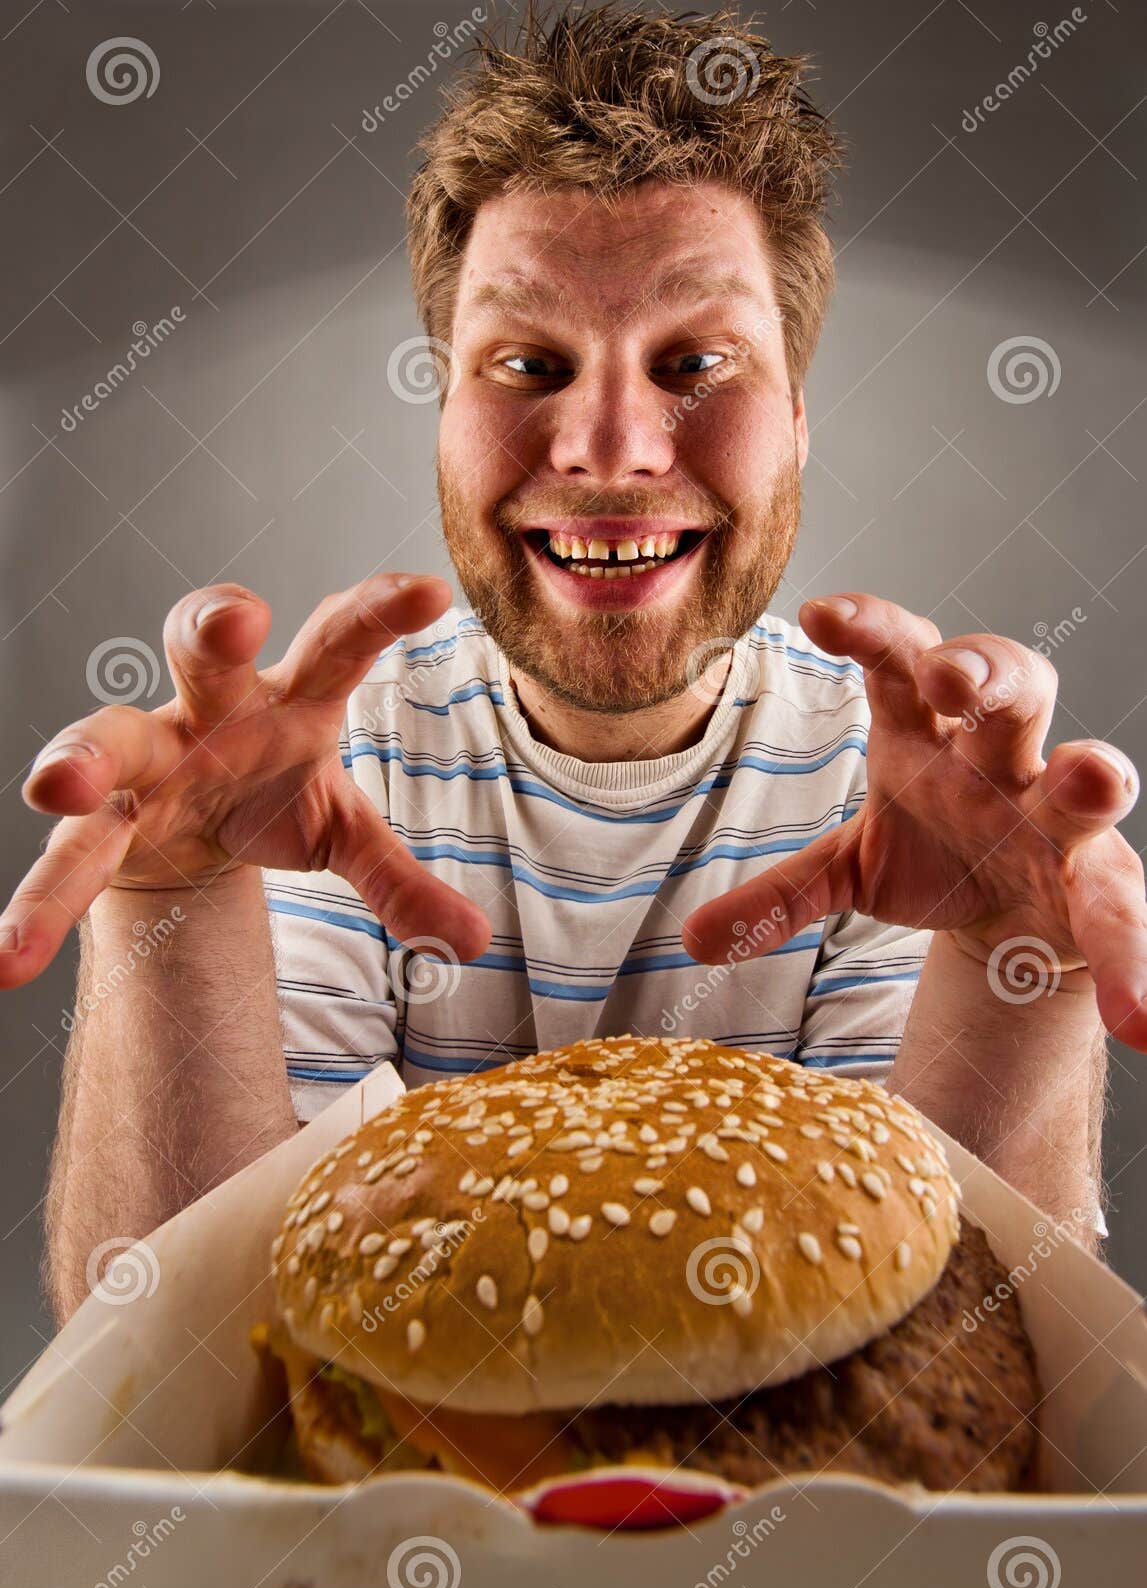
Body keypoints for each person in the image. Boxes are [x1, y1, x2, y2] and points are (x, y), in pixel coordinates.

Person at [4, 7, 1142, 1321]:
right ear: (443, 414)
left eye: (698, 362)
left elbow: (947, 1408)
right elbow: (203, 1393)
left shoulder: (914, 791)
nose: (611, 445)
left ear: (798, 421)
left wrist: (1014, 967)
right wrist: (178, 903)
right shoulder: (316, 770)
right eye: (530, 362)